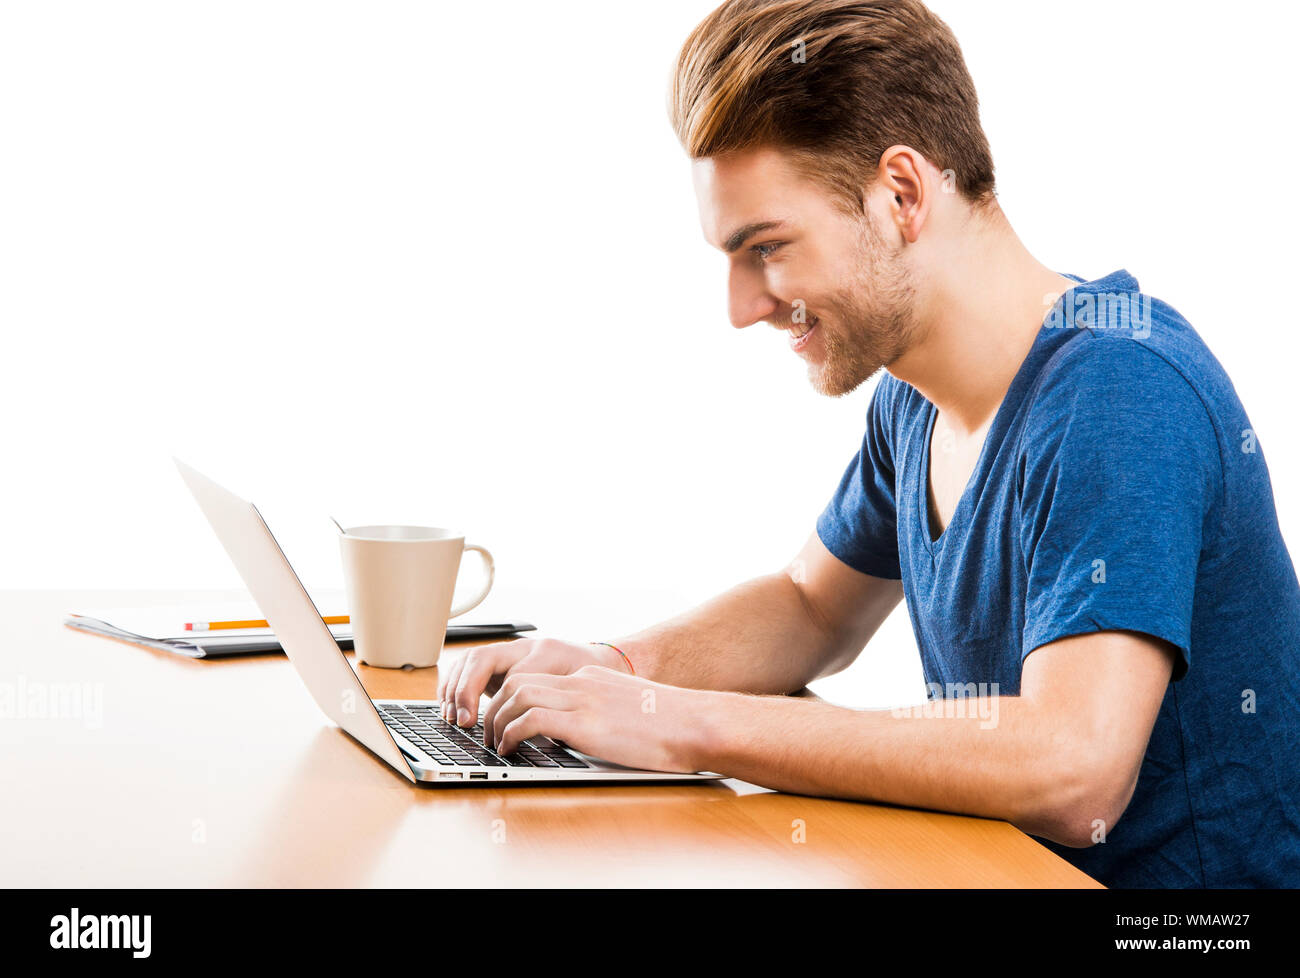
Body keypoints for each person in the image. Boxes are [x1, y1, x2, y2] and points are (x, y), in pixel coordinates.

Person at [436, 0, 1300, 888]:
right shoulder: (913, 400)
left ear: (901, 193)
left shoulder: (1120, 393)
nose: (742, 308)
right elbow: (812, 607)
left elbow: (1073, 770)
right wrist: (613, 667)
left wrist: (674, 719)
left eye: (766, 248)